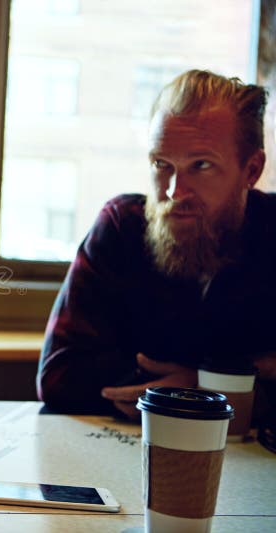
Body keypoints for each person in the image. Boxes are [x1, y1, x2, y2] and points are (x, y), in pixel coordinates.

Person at [37, 69, 276, 421]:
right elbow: (59, 376)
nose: (174, 191)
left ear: (251, 170)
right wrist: (210, 390)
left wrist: (200, 385)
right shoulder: (121, 227)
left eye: (202, 165)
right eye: (161, 164)